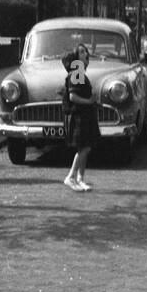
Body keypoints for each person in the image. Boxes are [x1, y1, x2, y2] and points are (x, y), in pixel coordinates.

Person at [60, 45, 100, 192]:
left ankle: (80, 179)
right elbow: (73, 96)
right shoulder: (77, 73)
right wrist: (89, 101)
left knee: (86, 147)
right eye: (82, 52)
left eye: (86, 51)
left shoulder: (80, 73)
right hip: (79, 116)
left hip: (86, 115)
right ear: (76, 58)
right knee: (83, 148)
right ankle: (70, 177)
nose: (86, 53)